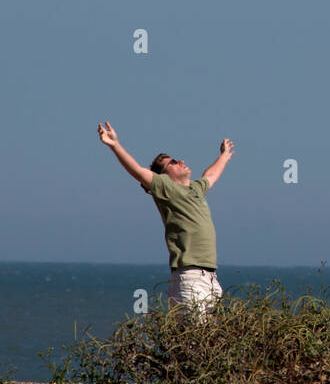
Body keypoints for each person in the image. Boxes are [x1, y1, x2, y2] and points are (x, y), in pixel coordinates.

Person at [97, 121, 234, 317]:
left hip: (211, 278)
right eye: (173, 162)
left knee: (215, 341)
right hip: (189, 277)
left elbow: (210, 175)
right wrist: (115, 145)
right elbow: (137, 171)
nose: (180, 161)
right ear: (164, 175)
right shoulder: (166, 188)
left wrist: (224, 156)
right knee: (194, 341)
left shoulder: (196, 189)